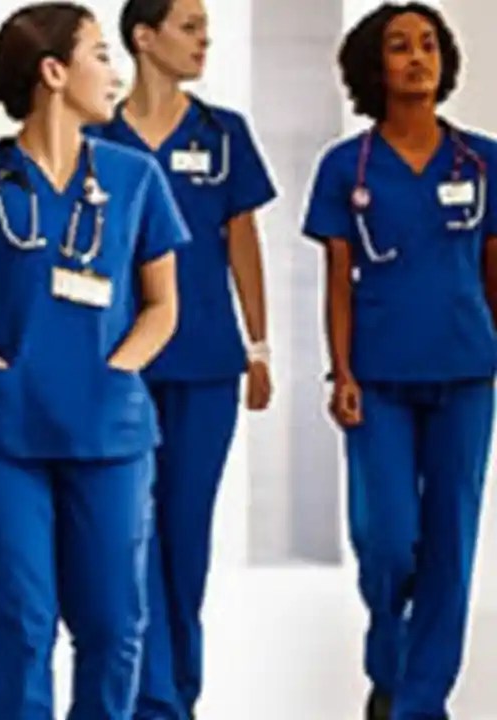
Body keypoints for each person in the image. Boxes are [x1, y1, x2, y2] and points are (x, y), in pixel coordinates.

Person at [0, 3, 188, 718]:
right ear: (53, 71)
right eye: (101, 54)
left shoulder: (134, 180)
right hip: (0, 433)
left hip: (110, 432)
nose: (116, 71)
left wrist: (120, 370)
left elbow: (163, 305)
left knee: (112, 625)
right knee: (18, 624)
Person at [302, 5, 496, 720]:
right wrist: (342, 373)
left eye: (428, 45)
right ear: (372, 66)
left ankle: (418, 703)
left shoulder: (484, 162)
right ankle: (390, 659)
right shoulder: (344, 168)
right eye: (399, 46)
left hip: (468, 373)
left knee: (450, 542)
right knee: (386, 539)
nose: (418, 57)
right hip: (379, 379)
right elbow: (337, 283)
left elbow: (495, 271)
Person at [84, 1, 277, 717]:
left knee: (185, 531)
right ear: (144, 36)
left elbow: (242, 244)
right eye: (189, 28)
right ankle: (152, 694)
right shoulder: (95, 133)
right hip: (118, 363)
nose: (203, 42)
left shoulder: (223, 135)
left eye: (208, 31)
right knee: (128, 527)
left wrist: (257, 344)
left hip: (204, 363)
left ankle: (176, 688)